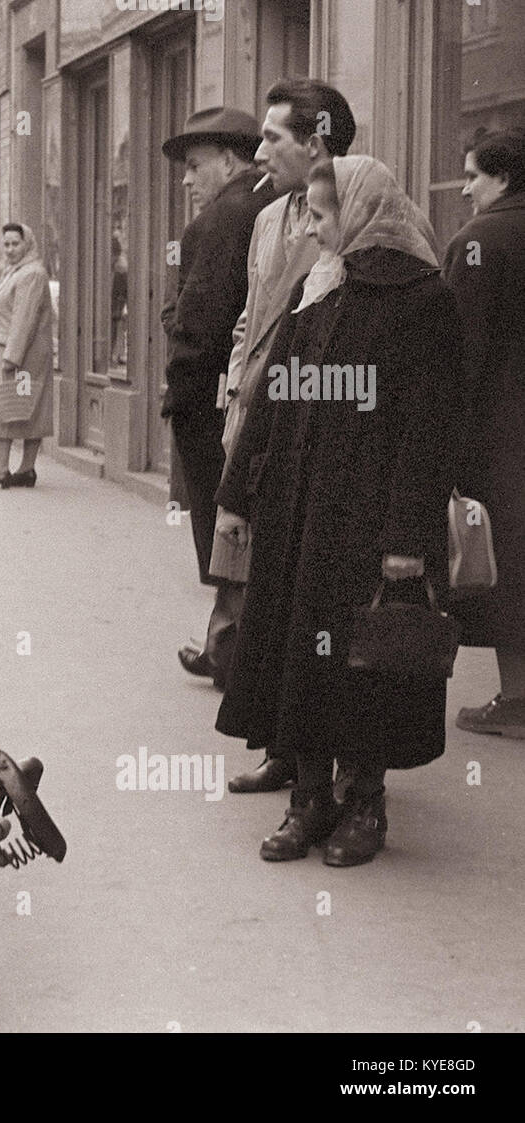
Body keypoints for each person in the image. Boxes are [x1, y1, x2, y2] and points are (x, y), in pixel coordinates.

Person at [215, 155, 461, 867]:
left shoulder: (424, 300)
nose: (313, 230)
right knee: (303, 653)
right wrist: (236, 498)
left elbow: (430, 430)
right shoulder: (320, 287)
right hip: (299, 509)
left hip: (369, 518)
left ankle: (365, 804)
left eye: (322, 216)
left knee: (363, 663)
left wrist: (407, 538)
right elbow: (275, 394)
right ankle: (310, 799)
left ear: (360, 213)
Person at [213, 78, 357, 793]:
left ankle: (333, 766)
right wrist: (236, 392)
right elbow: (252, 312)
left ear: (315, 141)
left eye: (273, 137)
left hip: (314, 424)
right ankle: (280, 745)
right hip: (259, 414)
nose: (260, 150)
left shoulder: (355, 209)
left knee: (312, 599)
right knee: (266, 587)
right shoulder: (270, 215)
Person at [161, 107, 280, 692]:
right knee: (248, 523)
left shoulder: (220, 219)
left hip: (214, 399)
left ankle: (232, 654)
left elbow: (198, 323)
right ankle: (224, 644)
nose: (186, 179)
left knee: (225, 525)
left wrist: (177, 391)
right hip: (259, 392)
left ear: (230, 161)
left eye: (194, 166)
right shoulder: (272, 207)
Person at [443, 127, 525, 739]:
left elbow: (458, 354)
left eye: (473, 176)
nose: (466, 189)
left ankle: (517, 702)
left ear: (503, 178)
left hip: (500, 440)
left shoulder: (479, 241)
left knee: (508, 572)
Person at [0, 223, 54, 489]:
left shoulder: (32, 274)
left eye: (15, 243)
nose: (9, 249)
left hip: (21, 356)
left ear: (27, 244)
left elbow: (24, 319)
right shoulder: (15, 272)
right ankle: (23, 470)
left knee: (10, 406)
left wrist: (12, 357)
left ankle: (3, 471)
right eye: (6, 244)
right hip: (12, 351)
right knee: (14, 406)